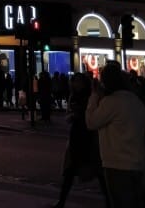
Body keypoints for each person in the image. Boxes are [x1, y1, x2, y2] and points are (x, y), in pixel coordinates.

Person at [86, 60, 145, 208]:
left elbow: (91, 122)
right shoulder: (136, 101)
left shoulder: (112, 102)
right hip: (136, 162)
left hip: (117, 164)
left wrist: (94, 96)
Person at [53, 72, 109, 208]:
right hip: (76, 136)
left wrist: (76, 116)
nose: (76, 84)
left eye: (79, 81)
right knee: (70, 171)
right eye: (74, 81)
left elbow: (93, 115)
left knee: (99, 171)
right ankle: (61, 201)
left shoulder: (91, 96)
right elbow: (70, 113)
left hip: (89, 136)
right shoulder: (74, 96)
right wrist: (72, 116)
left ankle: (109, 201)